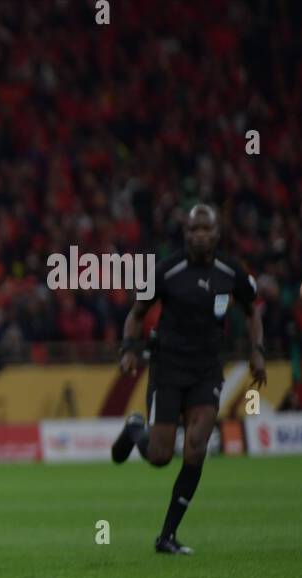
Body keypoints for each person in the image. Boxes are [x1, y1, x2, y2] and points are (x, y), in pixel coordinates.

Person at [111, 204, 265, 553]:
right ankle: (137, 428)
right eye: (192, 229)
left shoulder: (231, 272)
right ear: (186, 234)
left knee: (196, 447)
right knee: (161, 456)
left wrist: (258, 351)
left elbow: (251, 311)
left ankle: (166, 537)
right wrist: (129, 350)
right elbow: (136, 315)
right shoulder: (167, 271)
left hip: (206, 370)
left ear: (216, 234)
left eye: (204, 229)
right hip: (167, 368)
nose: (198, 235)